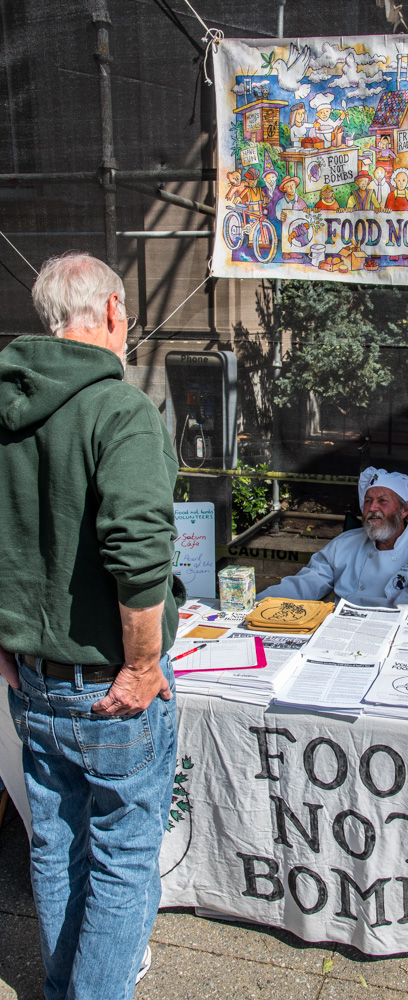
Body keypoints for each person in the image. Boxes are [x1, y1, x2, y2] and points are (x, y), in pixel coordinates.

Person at [0, 252, 185, 999]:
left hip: (34, 681)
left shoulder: (9, 405)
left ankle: (67, 984)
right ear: (112, 312)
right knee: (122, 855)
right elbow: (139, 555)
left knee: (57, 845)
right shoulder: (121, 409)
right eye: (129, 314)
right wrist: (143, 665)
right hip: (107, 685)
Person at [255, 468, 408, 609]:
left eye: (383, 501)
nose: (373, 508)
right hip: (337, 629)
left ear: (404, 510)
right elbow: (306, 583)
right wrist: (258, 603)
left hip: (391, 635)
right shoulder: (344, 543)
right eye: (368, 501)